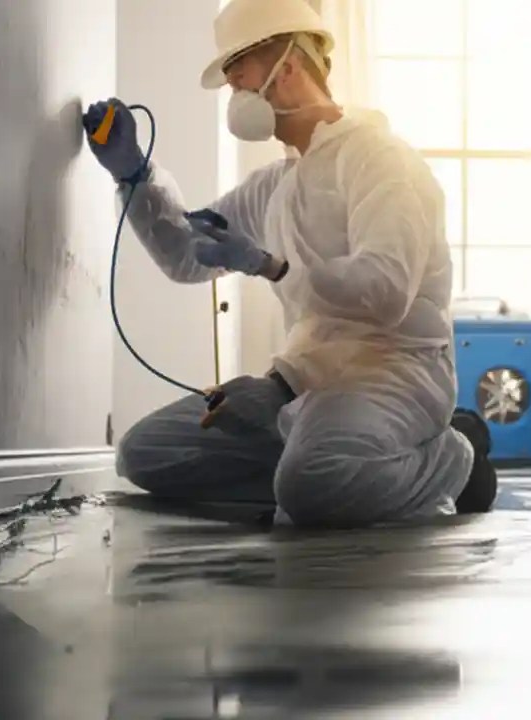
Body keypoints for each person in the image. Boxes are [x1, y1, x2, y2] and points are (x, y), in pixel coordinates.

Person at [83, 0, 496, 527]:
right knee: (144, 453)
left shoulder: (380, 160)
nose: (235, 99)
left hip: (393, 372)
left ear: (289, 69)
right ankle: (316, 468)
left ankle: (449, 458)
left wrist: (270, 266)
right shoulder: (276, 185)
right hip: (304, 380)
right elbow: (187, 257)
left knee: (312, 487)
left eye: (239, 81)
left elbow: (386, 292)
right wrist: (136, 176)